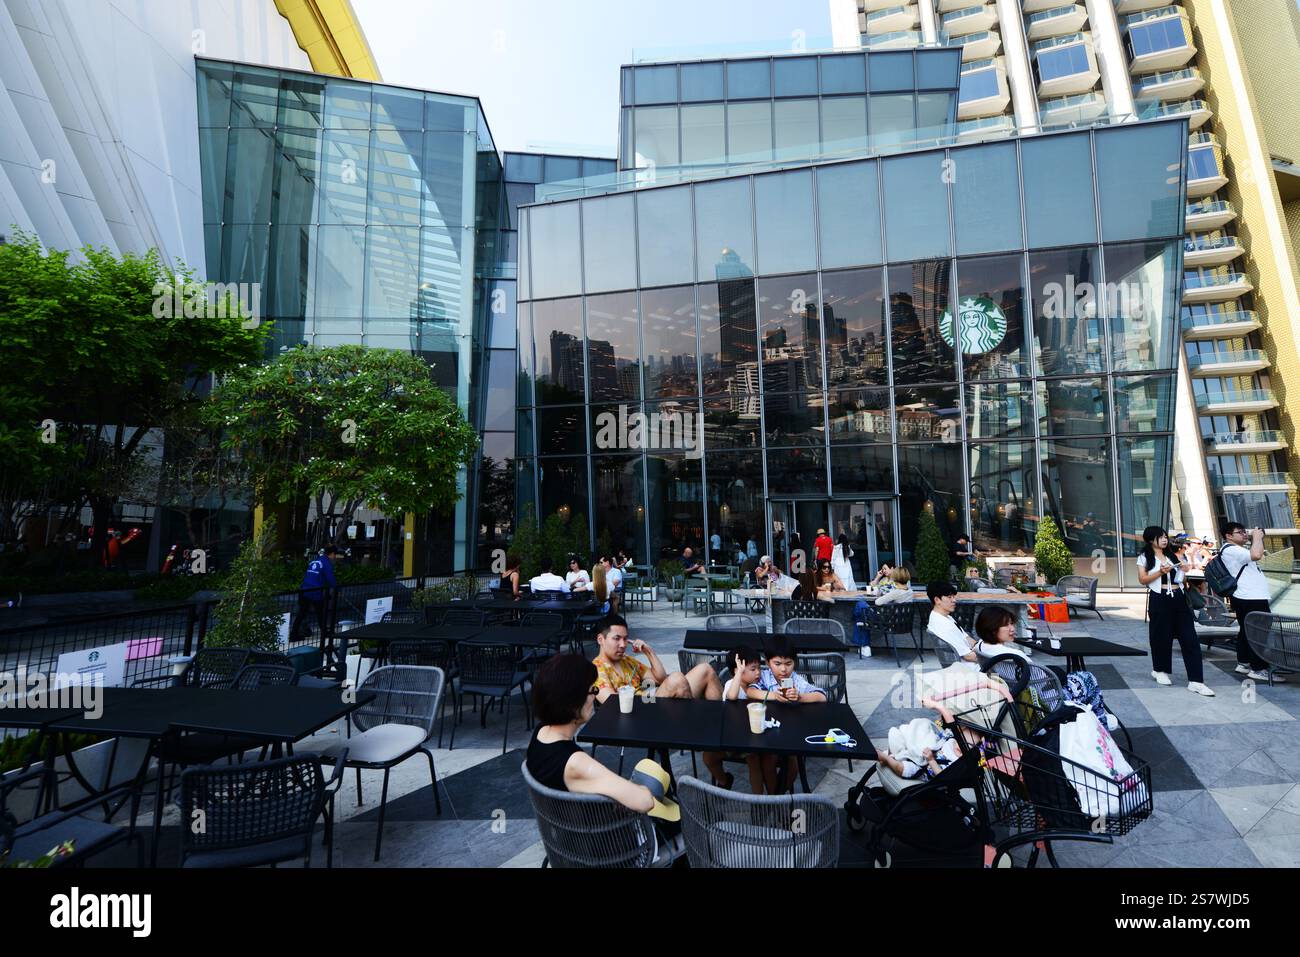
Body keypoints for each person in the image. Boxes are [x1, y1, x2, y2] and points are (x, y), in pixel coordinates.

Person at [526, 654, 683, 858]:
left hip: (569, 839)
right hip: (610, 850)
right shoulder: (575, 763)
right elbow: (644, 801)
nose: (594, 697)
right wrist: (640, 790)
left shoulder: (541, 733)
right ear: (572, 702)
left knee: (653, 783)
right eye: (593, 690)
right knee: (686, 822)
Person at [591, 615, 729, 787]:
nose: (622, 644)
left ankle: (718, 735)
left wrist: (648, 651)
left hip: (653, 707)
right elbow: (612, 703)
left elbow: (659, 677)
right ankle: (703, 732)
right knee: (677, 679)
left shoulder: (626, 661)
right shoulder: (595, 670)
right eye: (616, 638)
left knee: (705, 670)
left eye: (625, 639)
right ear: (601, 640)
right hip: (637, 720)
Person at [1136, 525, 1215, 696]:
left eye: (1165, 536)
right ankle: (1159, 670)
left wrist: (1183, 571)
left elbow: (1182, 579)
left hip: (1179, 597)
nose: (1165, 539)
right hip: (1160, 597)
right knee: (1160, 636)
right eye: (1160, 537)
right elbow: (1143, 579)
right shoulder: (1145, 557)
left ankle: (1196, 681)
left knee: (1190, 638)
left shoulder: (1172, 555)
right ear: (1151, 540)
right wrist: (1160, 571)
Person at [748, 637, 827, 793]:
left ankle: (776, 796)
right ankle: (773, 796)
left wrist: (800, 697)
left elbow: (822, 696)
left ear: (794, 663)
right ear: (767, 662)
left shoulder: (795, 680)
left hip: (790, 734)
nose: (783, 670)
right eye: (777, 664)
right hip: (766, 733)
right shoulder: (763, 676)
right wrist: (772, 695)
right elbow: (750, 691)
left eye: (788, 664)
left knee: (793, 765)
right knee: (768, 759)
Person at [1219, 522, 1281, 682]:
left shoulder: (1234, 550)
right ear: (1229, 536)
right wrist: (1258, 537)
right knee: (1259, 633)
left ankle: (1244, 662)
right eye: (1240, 532)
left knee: (1247, 631)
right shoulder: (1232, 550)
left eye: (1244, 532)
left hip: (1247, 596)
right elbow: (1256, 555)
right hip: (1250, 597)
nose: (1245, 535)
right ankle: (1258, 668)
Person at [722, 645, 767, 793]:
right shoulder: (732, 684)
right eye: (753, 669)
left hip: (748, 738)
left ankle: (758, 799)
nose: (758, 672)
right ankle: (723, 780)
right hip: (731, 737)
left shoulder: (753, 686)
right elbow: (732, 696)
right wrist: (739, 674)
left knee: (754, 761)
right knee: (708, 758)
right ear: (737, 671)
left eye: (758, 668)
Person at [924, 581, 979, 670]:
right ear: (937, 600)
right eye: (950, 597)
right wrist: (990, 654)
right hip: (972, 670)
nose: (954, 600)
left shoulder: (945, 617)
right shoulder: (943, 625)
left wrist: (979, 645)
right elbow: (968, 656)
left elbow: (967, 638)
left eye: (954, 597)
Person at [291, 545, 338, 642]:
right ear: (332, 554)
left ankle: (293, 634)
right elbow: (331, 579)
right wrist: (336, 588)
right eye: (335, 555)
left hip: (304, 589)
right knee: (321, 613)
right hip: (315, 591)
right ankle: (324, 633)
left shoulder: (314, 561)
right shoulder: (326, 563)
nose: (335, 557)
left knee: (301, 614)